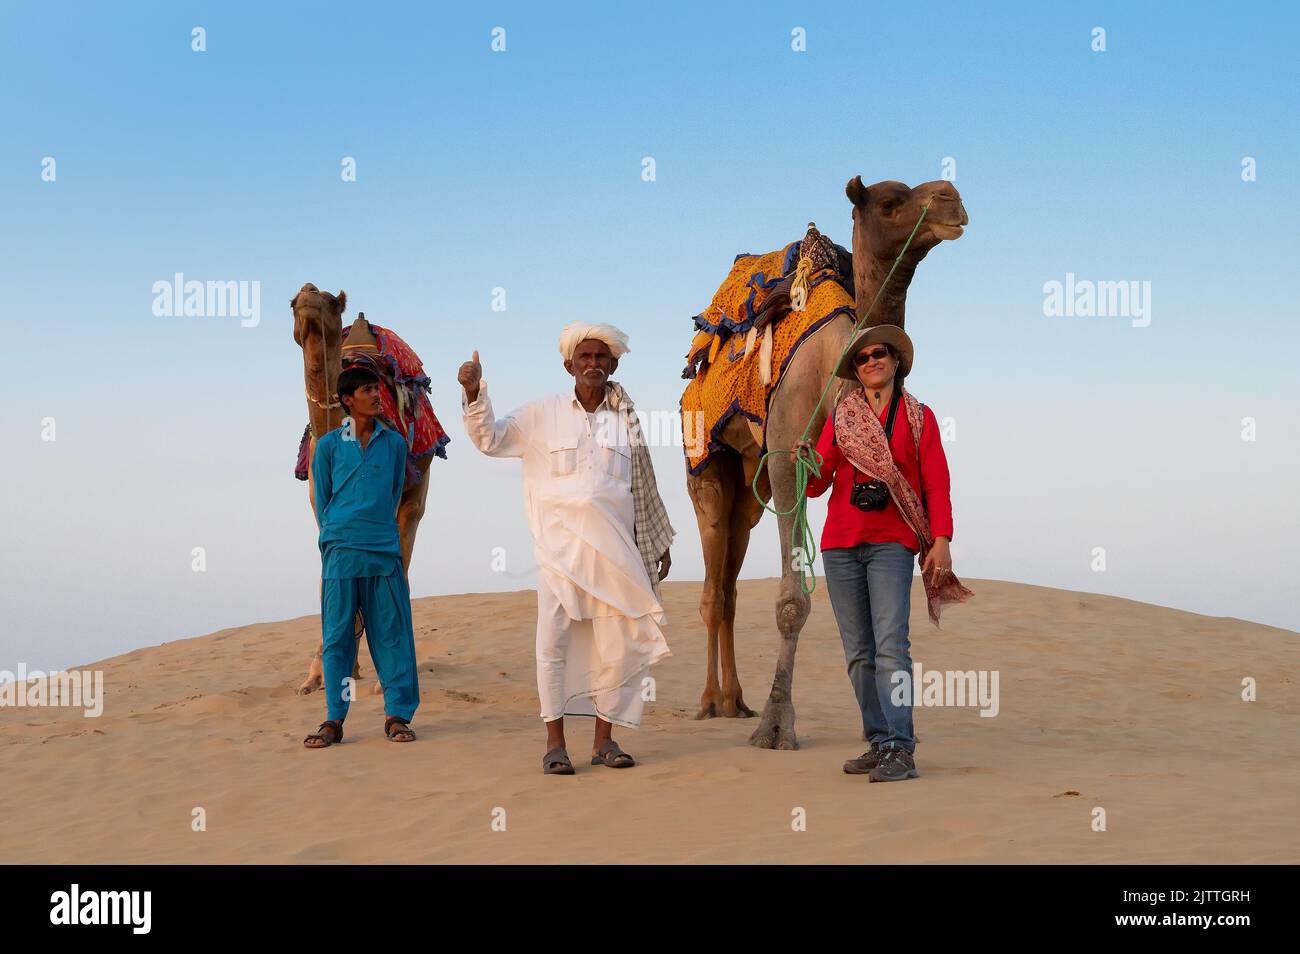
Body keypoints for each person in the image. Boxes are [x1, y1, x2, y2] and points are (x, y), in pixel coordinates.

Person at [458, 323, 673, 775]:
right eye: (585, 357)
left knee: (618, 643)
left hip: (617, 552)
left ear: (612, 365)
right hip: (558, 554)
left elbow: (641, 489)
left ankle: (604, 742)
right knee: (552, 643)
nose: (593, 363)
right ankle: (555, 743)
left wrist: (654, 541)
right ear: (569, 365)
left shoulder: (625, 421)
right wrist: (475, 392)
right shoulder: (543, 413)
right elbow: (490, 440)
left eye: (601, 357)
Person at [797, 324, 971, 782]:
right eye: (862, 358)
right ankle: (879, 741)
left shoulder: (920, 418)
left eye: (879, 354)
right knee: (858, 652)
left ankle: (901, 747)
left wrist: (942, 539)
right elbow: (816, 487)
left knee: (892, 646)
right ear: (855, 370)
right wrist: (807, 462)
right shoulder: (841, 416)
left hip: (893, 541)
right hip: (839, 543)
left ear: (896, 362)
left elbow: (936, 480)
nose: (871, 361)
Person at [303, 366, 422, 748]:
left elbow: (391, 496)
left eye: (376, 388)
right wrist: (339, 535)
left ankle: (397, 715)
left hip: (383, 552)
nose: (376, 395)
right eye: (368, 390)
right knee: (337, 638)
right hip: (340, 553)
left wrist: (378, 532)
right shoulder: (328, 447)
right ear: (348, 399)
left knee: (392, 635)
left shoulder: (395, 445)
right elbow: (324, 502)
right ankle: (334, 719)